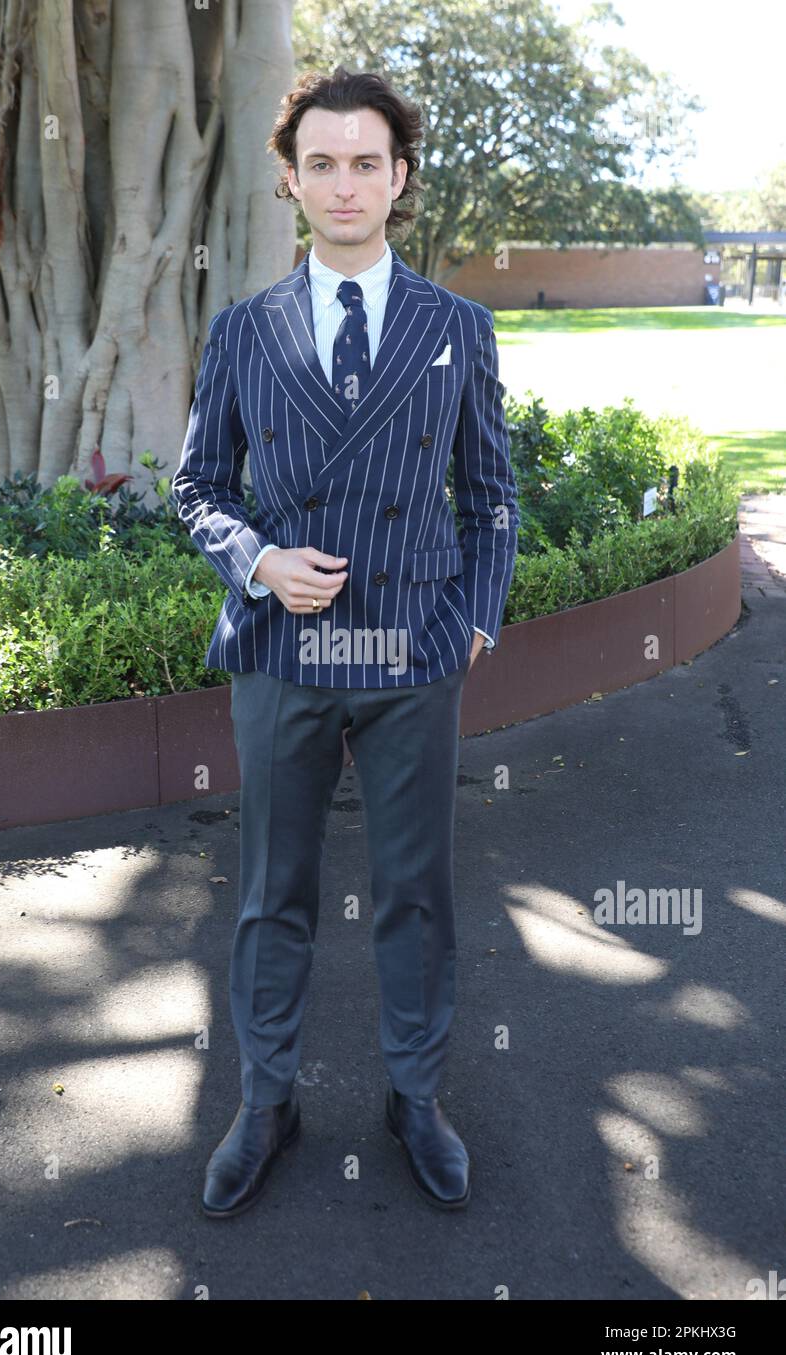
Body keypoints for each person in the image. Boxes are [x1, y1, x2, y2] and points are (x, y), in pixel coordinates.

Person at [172, 65, 519, 1217]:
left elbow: (493, 498)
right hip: (283, 657)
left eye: (364, 161)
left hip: (414, 655)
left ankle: (413, 1096)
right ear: (290, 180)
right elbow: (198, 488)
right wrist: (258, 560)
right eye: (319, 162)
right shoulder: (243, 329)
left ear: (398, 177)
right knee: (273, 890)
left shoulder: (456, 327)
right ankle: (265, 1099)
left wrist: (472, 616)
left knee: (414, 890)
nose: (343, 182)